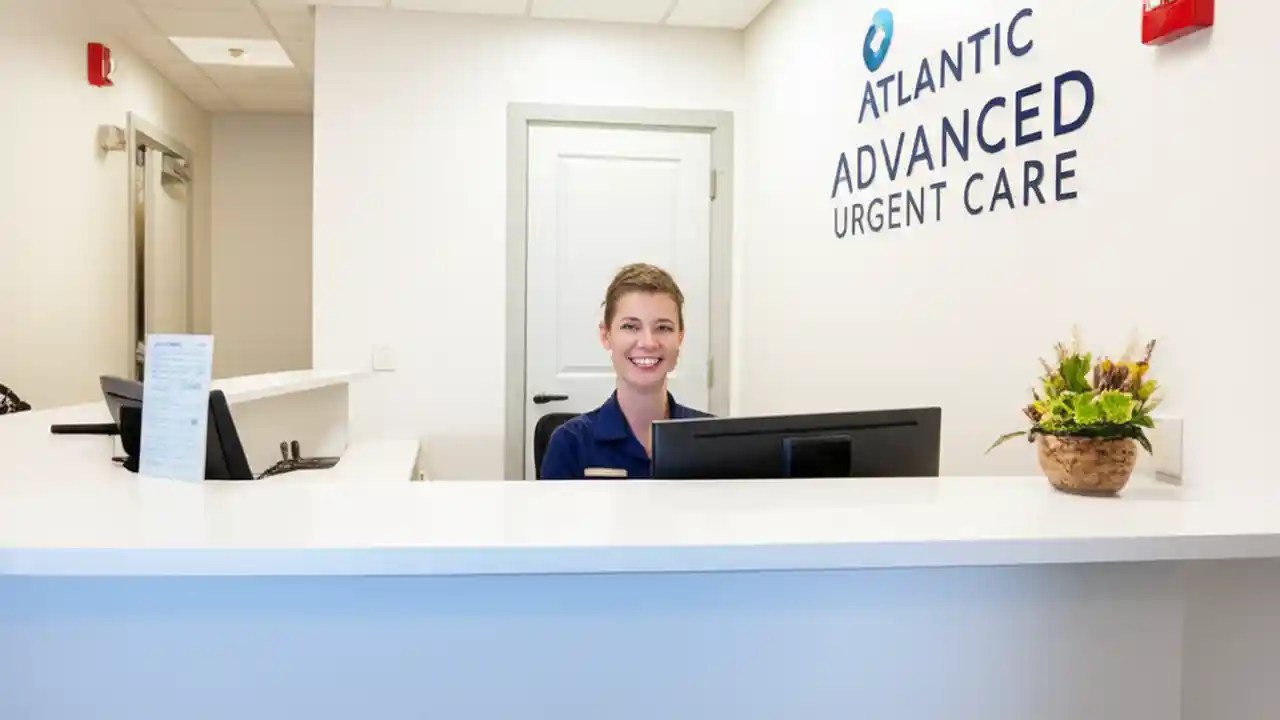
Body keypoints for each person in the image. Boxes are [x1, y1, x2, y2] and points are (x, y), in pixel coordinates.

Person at [539, 263, 710, 479]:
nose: (648, 342)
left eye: (663, 328)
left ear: (680, 337)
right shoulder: (570, 443)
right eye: (630, 327)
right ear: (606, 335)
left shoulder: (713, 441)